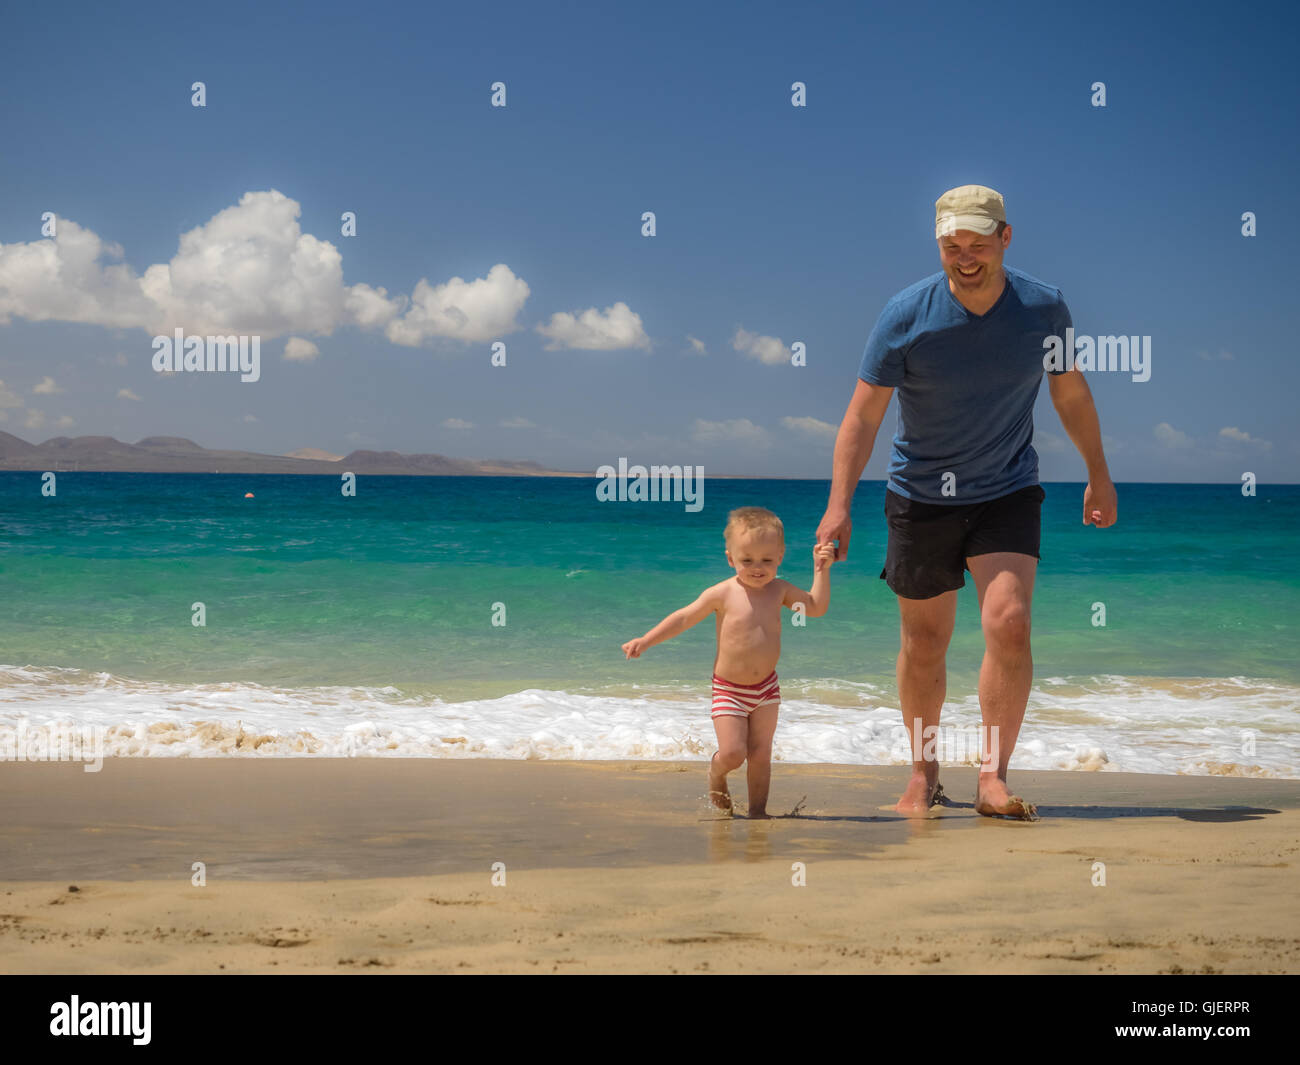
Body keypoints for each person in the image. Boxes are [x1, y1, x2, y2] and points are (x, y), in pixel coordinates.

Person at [816, 184, 1117, 820]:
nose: (966, 257)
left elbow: (1069, 393)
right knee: (924, 641)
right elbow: (863, 416)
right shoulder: (905, 314)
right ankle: (923, 773)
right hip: (920, 494)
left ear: (1006, 238)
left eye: (978, 244)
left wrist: (1099, 473)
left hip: (1006, 487)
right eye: (952, 246)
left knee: (1009, 621)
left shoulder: (1044, 308)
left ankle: (992, 777)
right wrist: (839, 504)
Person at [621, 506, 837, 817]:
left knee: (761, 754)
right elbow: (683, 618)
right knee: (735, 753)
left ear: (780, 555)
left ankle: (758, 813)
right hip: (729, 690)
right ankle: (717, 772)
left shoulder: (780, 590)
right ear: (730, 558)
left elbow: (815, 607)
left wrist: (821, 569)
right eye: (747, 560)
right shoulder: (722, 593)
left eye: (766, 559)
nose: (757, 567)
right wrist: (646, 640)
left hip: (766, 688)